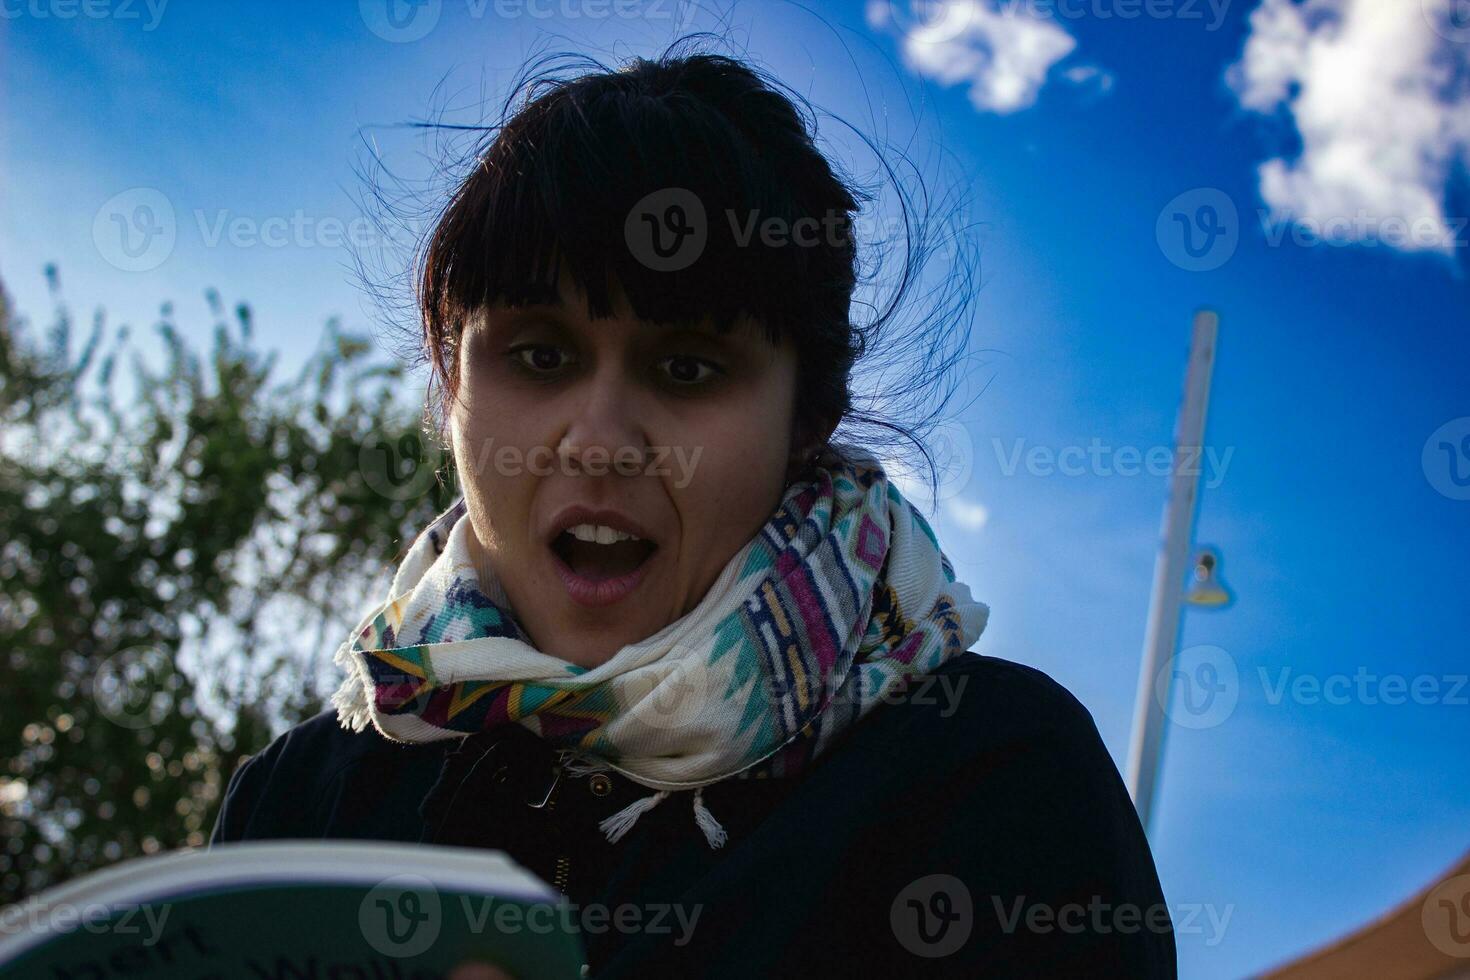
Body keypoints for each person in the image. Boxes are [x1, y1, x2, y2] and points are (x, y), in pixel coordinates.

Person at [209, 44, 1176, 979]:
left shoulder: (991, 780)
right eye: (539, 356)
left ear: (806, 421)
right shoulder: (298, 807)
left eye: (687, 368)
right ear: (449, 384)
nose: (597, 440)